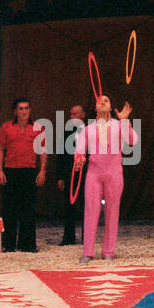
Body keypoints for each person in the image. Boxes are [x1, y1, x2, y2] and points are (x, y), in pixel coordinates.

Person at [74, 92, 135, 261]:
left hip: (114, 172)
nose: (103, 102)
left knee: (112, 211)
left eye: (106, 100)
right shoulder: (87, 129)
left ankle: (108, 251)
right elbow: (79, 149)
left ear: (110, 107)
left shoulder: (118, 125)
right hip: (94, 172)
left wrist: (124, 120)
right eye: (99, 100)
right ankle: (88, 252)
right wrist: (79, 159)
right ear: (95, 107)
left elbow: (132, 140)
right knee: (91, 211)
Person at [0, 98, 46, 252]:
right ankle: (8, 245)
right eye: (20, 109)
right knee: (9, 209)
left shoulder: (38, 128)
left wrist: (42, 170)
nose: (24, 111)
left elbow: (43, 151)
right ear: (15, 111)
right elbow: (0, 149)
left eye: (26, 108)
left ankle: (27, 245)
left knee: (28, 209)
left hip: (29, 171)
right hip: (10, 171)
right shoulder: (6, 127)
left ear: (30, 110)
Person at [55, 104, 87, 245]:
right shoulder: (66, 132)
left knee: (87, 206)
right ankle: (69, 237)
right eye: (71, 114)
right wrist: (60, 176)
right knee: (69, 206)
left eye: (75, 114)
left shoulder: (90, 131)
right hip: (69, 173)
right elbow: (61, 155)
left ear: (83, 115)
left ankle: (87, 237)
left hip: (87, 173)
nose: (72, 117)